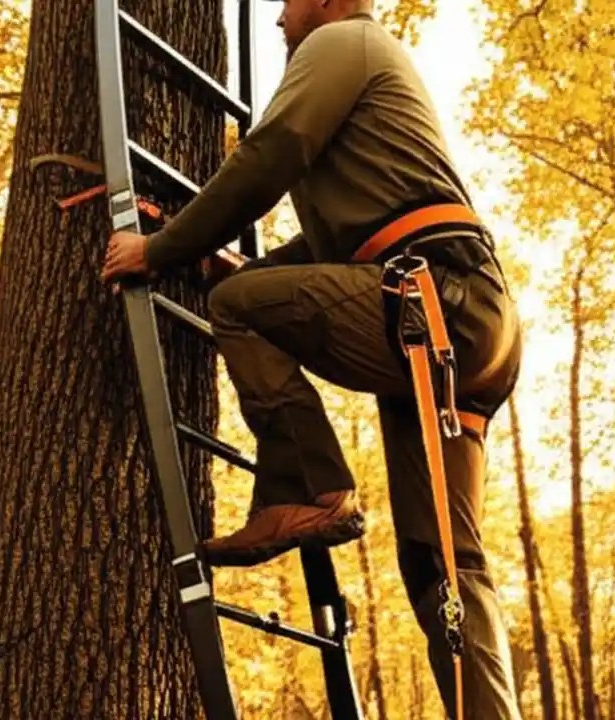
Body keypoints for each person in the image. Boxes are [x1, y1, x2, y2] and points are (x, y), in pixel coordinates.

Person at [99, 0, 523, 717]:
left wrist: (161, 251)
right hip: (461, 320)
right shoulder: (369, 87)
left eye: (287, 2)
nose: (277, 20)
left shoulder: (342, 42)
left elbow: (272, 150)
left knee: (237, 310)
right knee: (442, 565)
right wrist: (218, 260)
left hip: (433, 301)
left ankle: (311, 490)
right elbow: (331, 256)